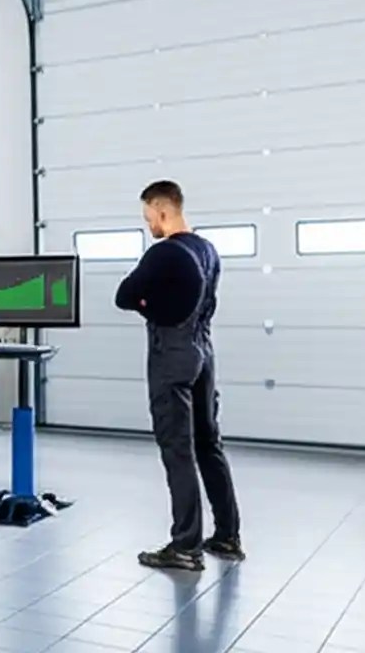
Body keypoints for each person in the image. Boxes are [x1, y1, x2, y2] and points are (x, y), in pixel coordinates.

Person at [114, 180, 243, 571]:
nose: (148, 224)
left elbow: (124, 295)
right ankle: (227, 535)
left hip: (172, 355)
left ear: (163, 210)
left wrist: (146, 302)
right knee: (209, 443)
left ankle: (185, 546)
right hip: (203, 351)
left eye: (148, 216)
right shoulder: (208, 250)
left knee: (177, 447)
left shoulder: (163, 253)